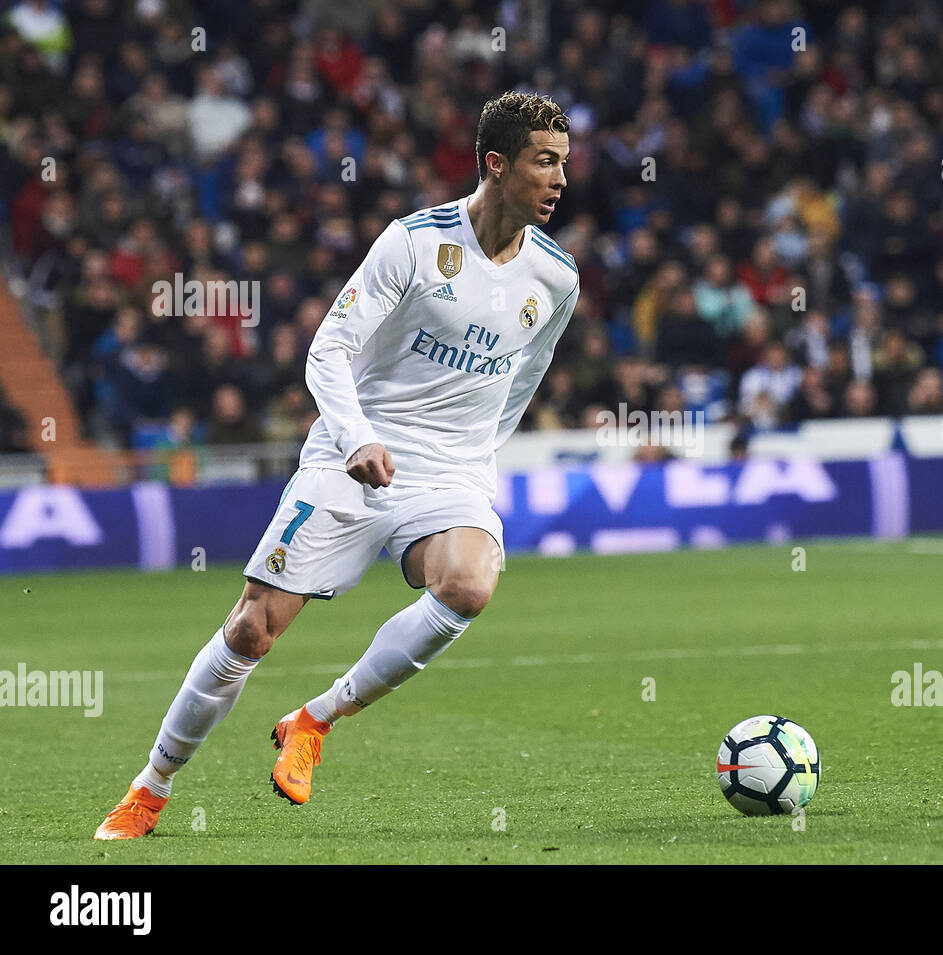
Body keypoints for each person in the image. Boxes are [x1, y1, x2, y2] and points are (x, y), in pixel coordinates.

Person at [94, 91, 580, 839]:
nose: (559, 179)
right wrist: (355, 438)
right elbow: (330, 349)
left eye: (563, 164)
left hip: (450, 471)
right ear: (496, 163)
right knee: (252, 630)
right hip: (355, 454)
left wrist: (474, 459)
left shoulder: (556, 279)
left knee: (470, 583)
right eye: (544, 162)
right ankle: (150, 788)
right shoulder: (414, 244)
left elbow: (523, 379)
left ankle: (315, 719)